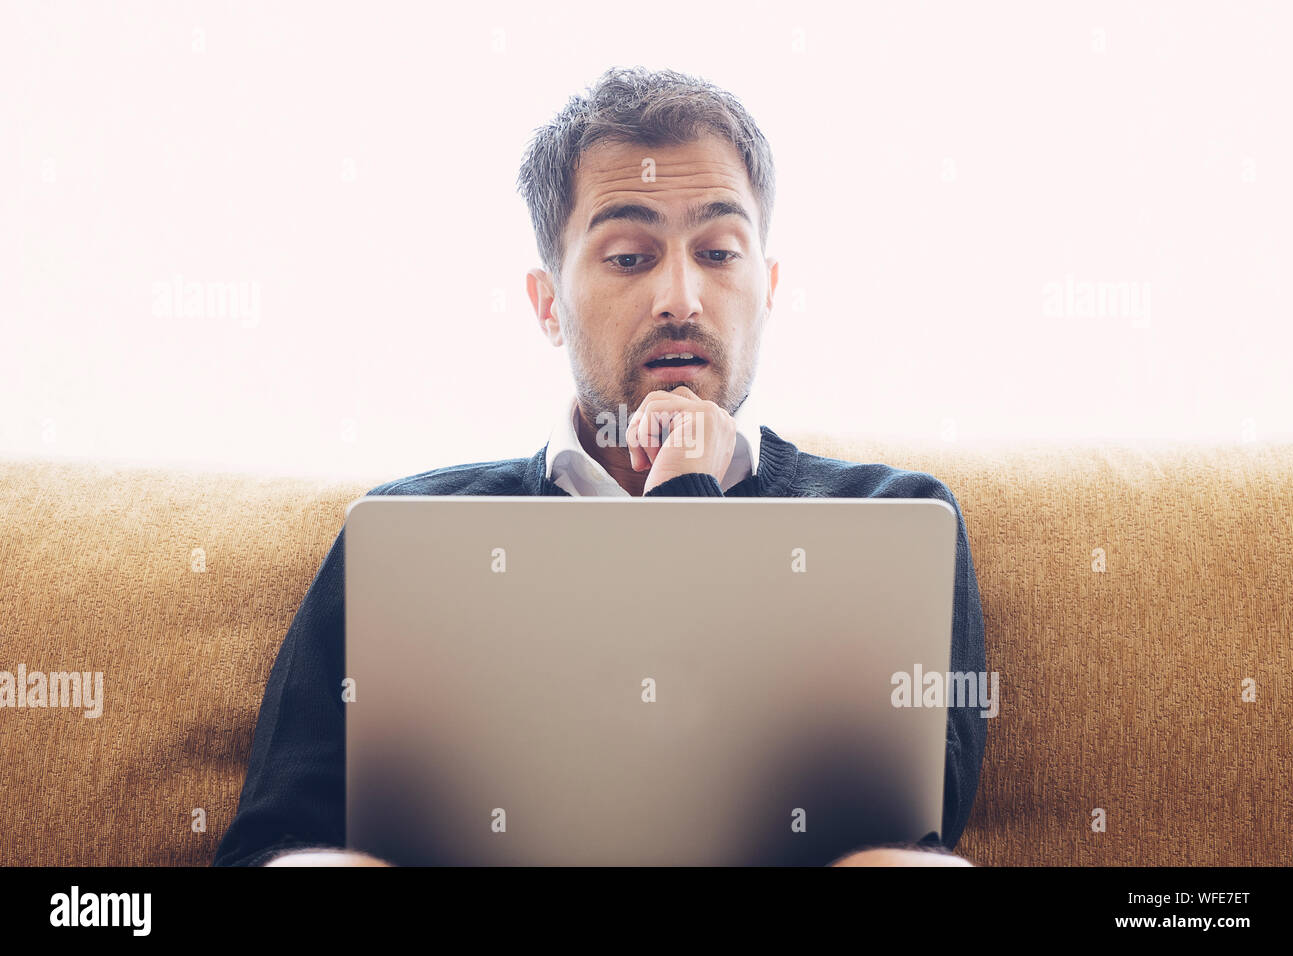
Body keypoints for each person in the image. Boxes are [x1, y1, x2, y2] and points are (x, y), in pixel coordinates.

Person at [213, 66, 987, 868]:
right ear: (549, 304)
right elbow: (268, 841)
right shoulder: (408, 536)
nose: (680, 298)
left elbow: (925, 821)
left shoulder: (891, 518)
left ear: (769, 287)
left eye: (719, 251)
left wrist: (685, 489)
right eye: (627, 257)